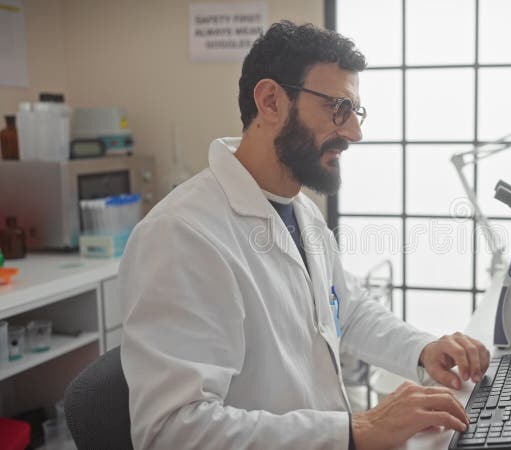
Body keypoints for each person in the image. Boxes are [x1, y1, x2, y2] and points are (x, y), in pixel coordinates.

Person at [120, 20, 491, 450]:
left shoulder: (300, 210)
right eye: (338, 108)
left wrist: (422, 350)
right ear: (271, 100)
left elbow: (344, 311)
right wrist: (357, 431)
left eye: (356, 111)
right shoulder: (181, 235)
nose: (354, 132)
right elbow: (171, 432)